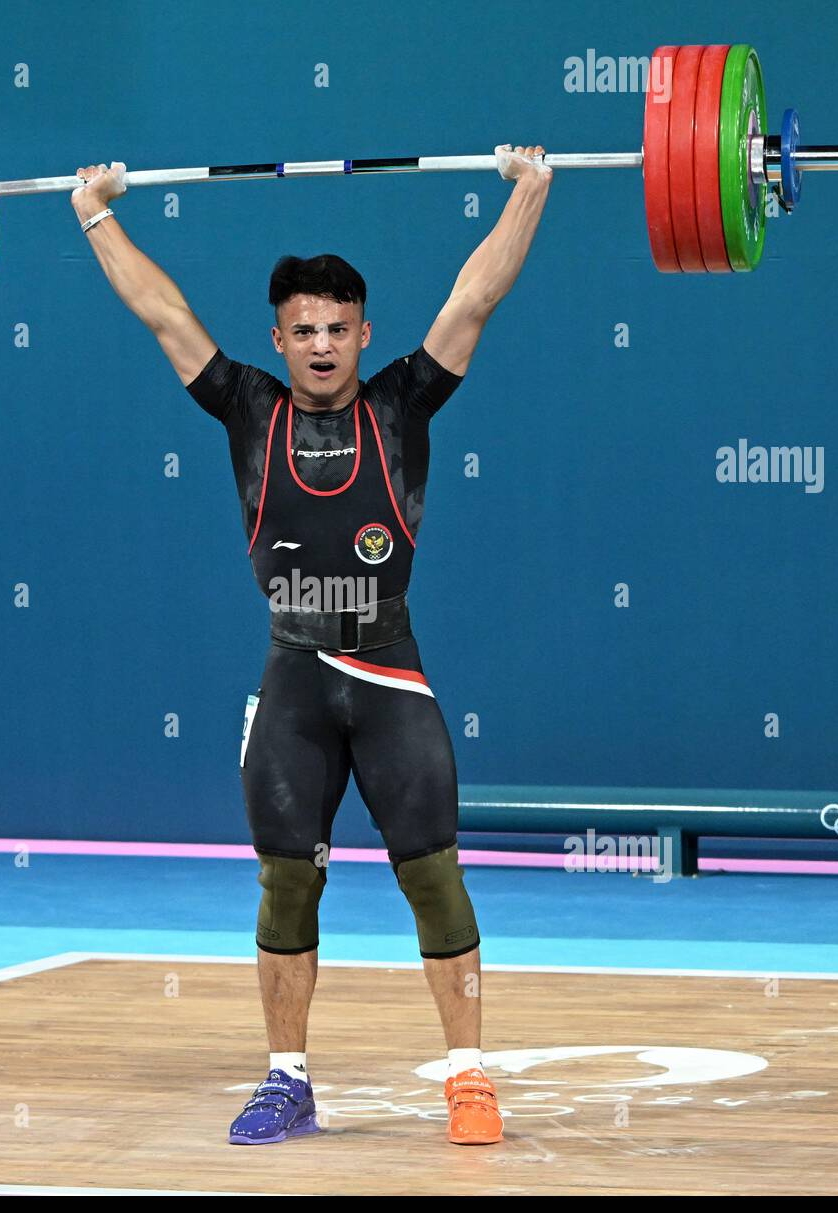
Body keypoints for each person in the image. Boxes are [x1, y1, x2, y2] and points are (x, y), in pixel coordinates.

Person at [70, 144, 553, 1145]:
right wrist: (93, 212)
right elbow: (162, 312)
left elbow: (476, 296)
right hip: (293, 673)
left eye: (338, 327)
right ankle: (287, 1078)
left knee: (433, 872)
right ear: (279, 339)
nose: (323, 343)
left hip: (387, 671)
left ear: (363, 332)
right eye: (304, 329)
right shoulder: (247, 406)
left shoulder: (403, 401)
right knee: (287, 877)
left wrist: (530, 194)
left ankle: (467, 1074)